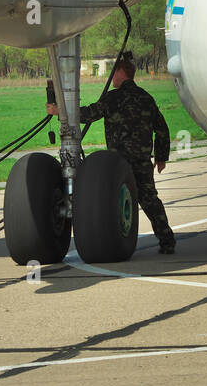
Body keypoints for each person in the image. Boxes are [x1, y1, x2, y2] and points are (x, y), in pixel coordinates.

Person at [47, 58, 175, 253]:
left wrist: (59, 112)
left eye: (114, 73)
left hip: (118, 164)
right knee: (150, 201)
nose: (112, 77)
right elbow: (162, 129)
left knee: (111, 200)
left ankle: (113, 241)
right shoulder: (146, 98)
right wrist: (161, 157)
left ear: (121, 72)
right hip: (141, 161)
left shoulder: (113, 98)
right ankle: (167, 241)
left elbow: (89, 114)